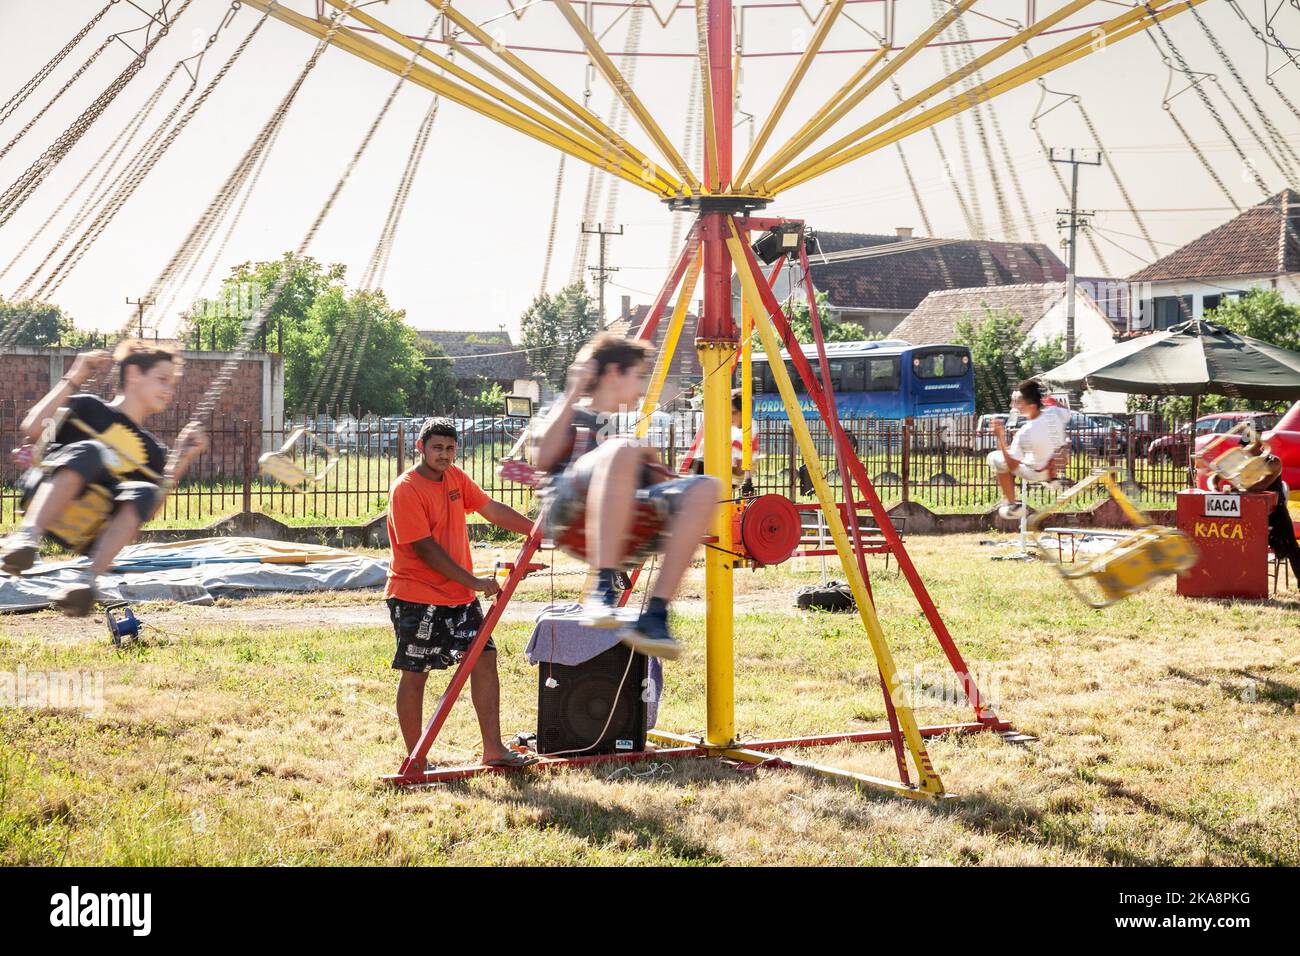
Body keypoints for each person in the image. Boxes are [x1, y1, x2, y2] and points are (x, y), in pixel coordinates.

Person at [531, 332, 718, 660]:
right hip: (567, 513)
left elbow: (640, 478)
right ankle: (601, 589)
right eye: (638, 376)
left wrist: (653, 468)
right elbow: (542, 458)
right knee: (626, 447)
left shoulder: (622, 432)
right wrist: (575, 388)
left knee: (705, 488)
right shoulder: (568, 411)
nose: (642, 387)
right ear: (614, 372)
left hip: (620, 532)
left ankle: (656, 615)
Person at [1, 343, 207, 615]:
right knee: (93, 451)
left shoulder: (152, 451)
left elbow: (147, 510)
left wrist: (180, 461)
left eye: (173, 383)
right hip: (48, 495)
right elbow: (36, 429)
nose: (170, 390)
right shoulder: (88, 408)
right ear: (133, 374)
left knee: (145, 490)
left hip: (89, 527)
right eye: (162, 379)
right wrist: (75, 375)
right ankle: (27, 539)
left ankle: (86, 582)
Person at [386, 416, 537, 770]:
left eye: (450, 448)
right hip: (417, 597)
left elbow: (490, 509)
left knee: (484, 659)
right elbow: (425, 549)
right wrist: (474, 582)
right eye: (437, 448)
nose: (444, 455)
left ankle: (494, 750)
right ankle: (416, 758)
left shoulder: (455, 478)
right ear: (420, 448)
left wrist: (536, 531)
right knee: (415, 672)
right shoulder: (406, 489)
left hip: (459, 598)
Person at [988, 378, 1066, 520]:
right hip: (1051, 466)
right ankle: (1052, 478)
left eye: (1018, 403)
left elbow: (1011, 465)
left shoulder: (1025, 432)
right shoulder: (1055, 413)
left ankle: (1012, 505)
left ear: (1031, 406)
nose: (1014, 406)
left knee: (995, 458)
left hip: (1035, 473)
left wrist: (1000, 437)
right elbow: (1065, 411)